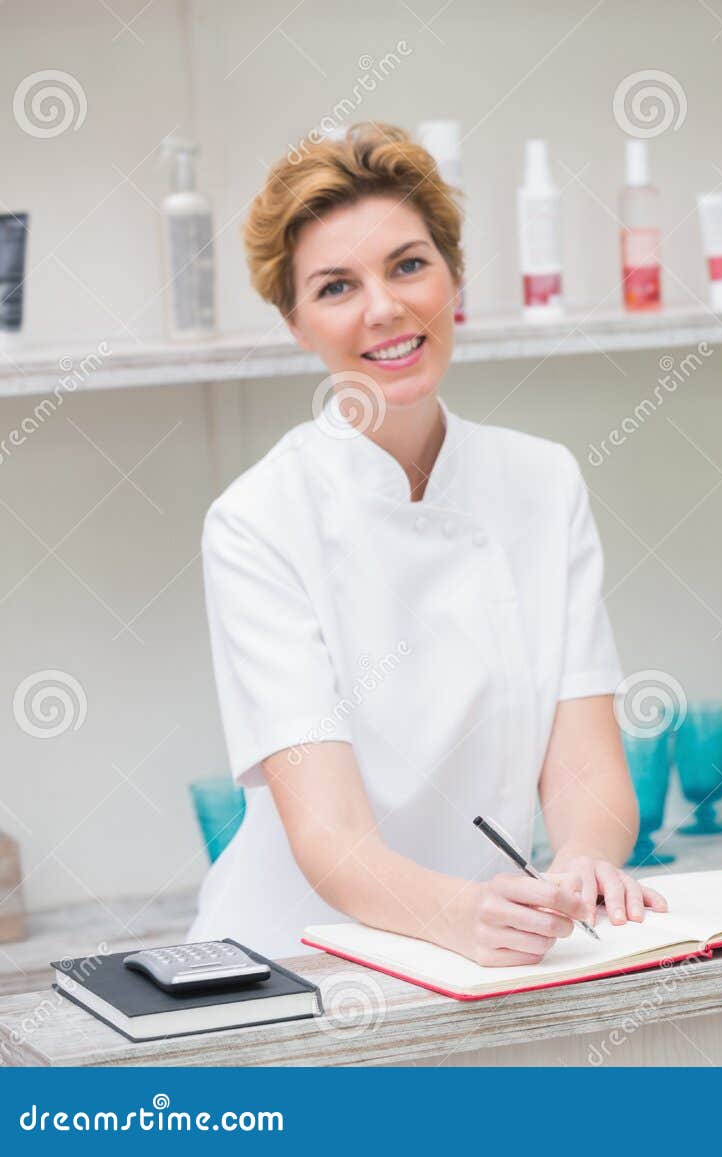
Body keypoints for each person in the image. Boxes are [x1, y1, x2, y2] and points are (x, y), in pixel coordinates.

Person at [186, 123, 664, 962]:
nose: (385, 308)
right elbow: (330, 833)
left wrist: (586, 863)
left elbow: (586, 759)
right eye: (336, 286)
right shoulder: (257, 521)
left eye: (409, 265)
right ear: (296, 323)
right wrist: (458, 916)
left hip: (491, 955)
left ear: (453, 278)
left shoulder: (542, 482)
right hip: (295, 965)